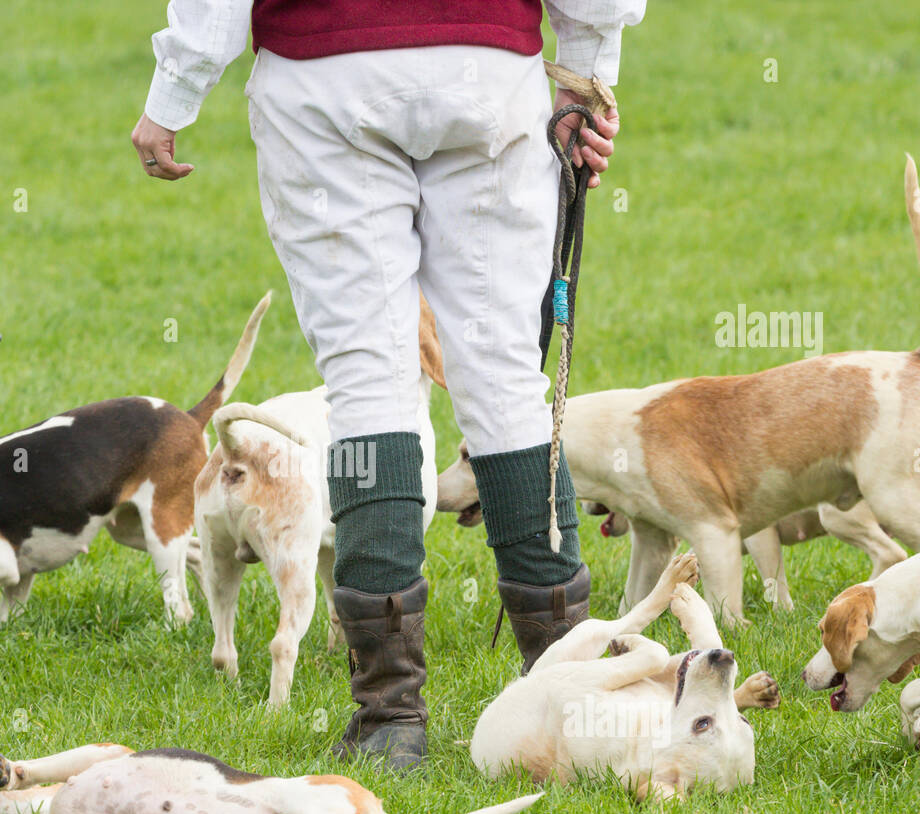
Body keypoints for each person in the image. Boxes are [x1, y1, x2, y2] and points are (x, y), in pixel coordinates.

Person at [133, 1, 645, 771]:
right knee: (506, 377)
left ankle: (389, 718)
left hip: (324, 73)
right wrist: (585, 77)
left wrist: (174, 92)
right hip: (486, 67)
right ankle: (567, 681)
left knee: (369, 381)